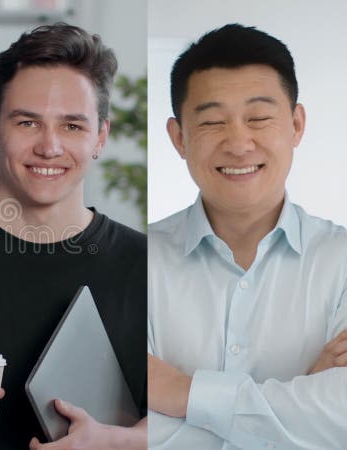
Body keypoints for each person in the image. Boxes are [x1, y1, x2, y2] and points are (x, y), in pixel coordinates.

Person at [0, 23, 147, 450]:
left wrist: (118, 442)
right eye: (27, 122)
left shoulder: (149, 267)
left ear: (100, 137)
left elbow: (198, 422)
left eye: (73, 126)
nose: (50, 147)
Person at [148, 24, 347, 449]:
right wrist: (298, 406)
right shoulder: (134, 262)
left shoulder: (342, 261)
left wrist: (182, 394)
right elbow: (119, 420)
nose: (239, 143)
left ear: (296, 125)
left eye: (259, 118)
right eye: (213, 121)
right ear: (178, 137)